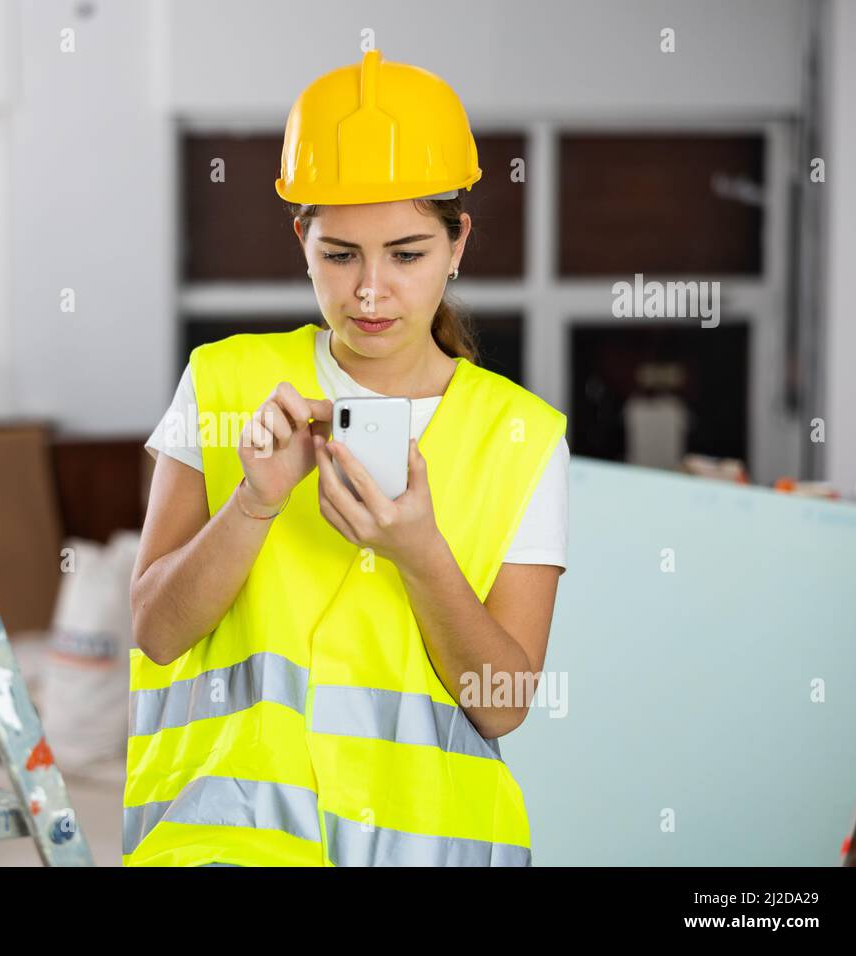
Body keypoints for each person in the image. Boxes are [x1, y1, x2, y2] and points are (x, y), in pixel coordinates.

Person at [124, 50, 568, 867]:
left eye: (406, 254)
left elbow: (502, 706)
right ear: (302, 238)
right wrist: (252, 506)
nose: (370, 293)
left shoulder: (522, 435)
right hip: (231, 841)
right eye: (339, 255)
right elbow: (155, 631)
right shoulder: (223, 383)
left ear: (457, 240)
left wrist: (419, 553)